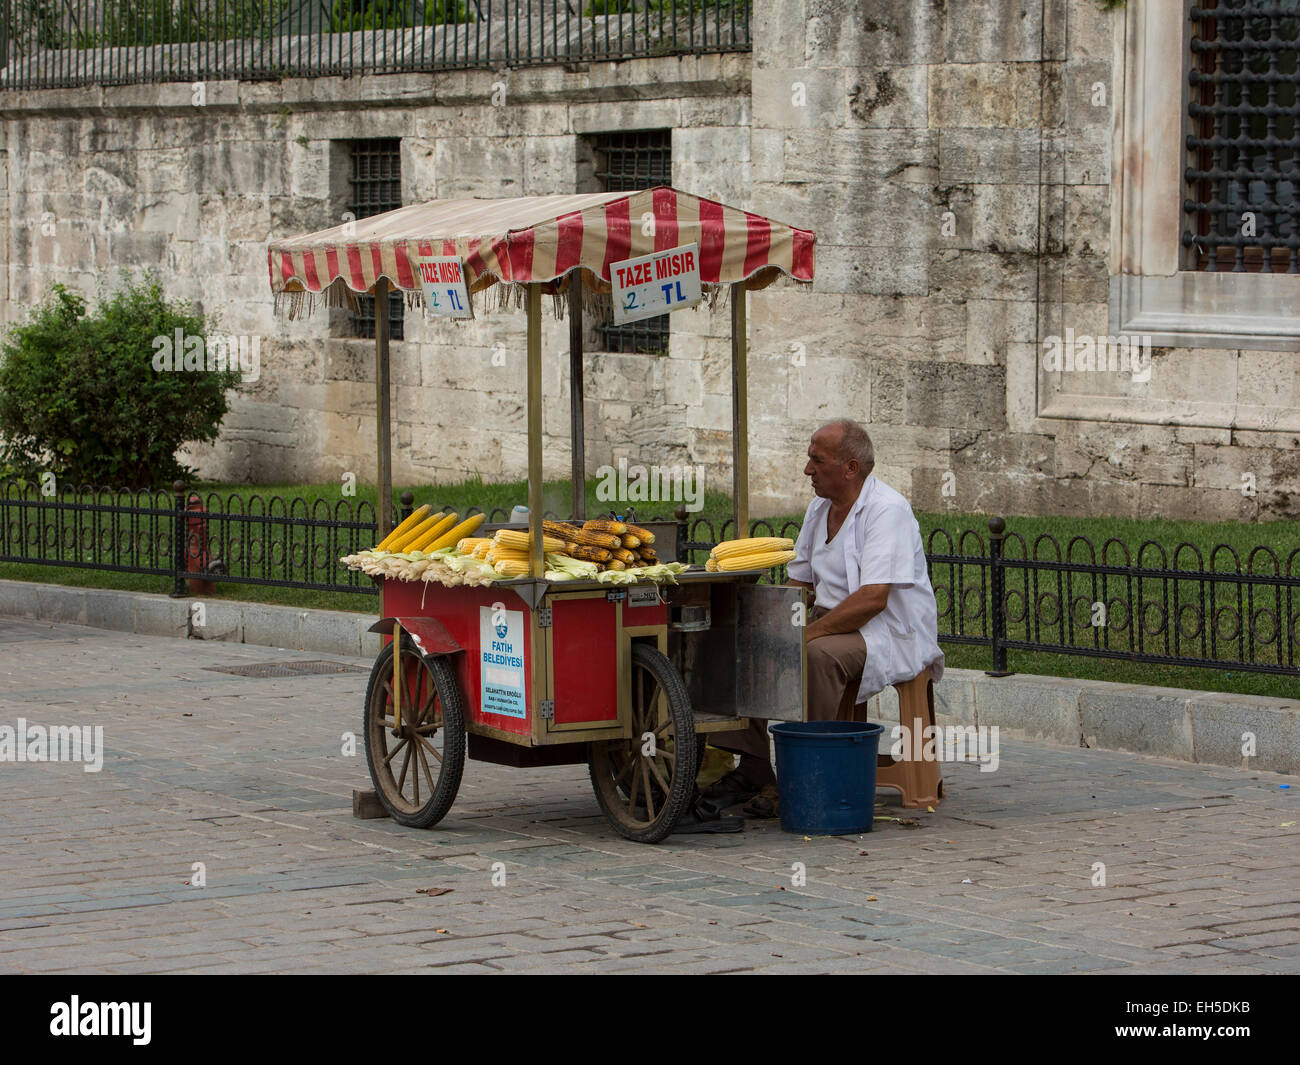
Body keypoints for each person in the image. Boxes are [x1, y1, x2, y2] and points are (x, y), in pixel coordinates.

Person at [705, 418, 944, 817]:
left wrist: (806, 635)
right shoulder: (819, 509)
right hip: (828, 620)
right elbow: (799, 582)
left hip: (885, 630)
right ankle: (755, 766)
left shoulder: (887, 511)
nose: (807, 470)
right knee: (743, 640)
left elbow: (872, 599)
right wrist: (776, 624)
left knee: (816, 656)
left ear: (850, 468)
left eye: (817, 460)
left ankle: (807, 775)